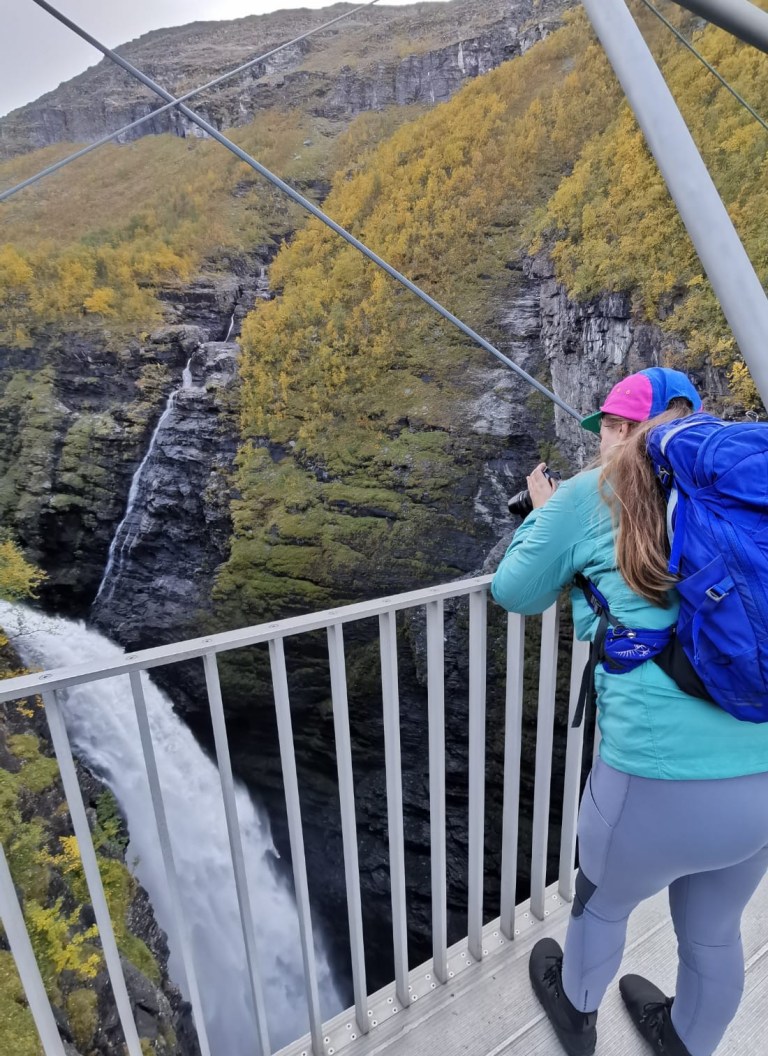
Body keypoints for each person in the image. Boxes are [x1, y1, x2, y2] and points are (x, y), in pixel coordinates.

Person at [491, 366, 768, 1056]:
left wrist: (544, 512)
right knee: (713, 932)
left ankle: (575, 1015)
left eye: (617, 426)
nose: (610, 439)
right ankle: (682, 1043)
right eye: (606, 426)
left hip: (653, 779)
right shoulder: (739, 501)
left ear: (644, 430)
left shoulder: (592, 493)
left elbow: (513, 590)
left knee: (602, 904)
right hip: (760, 779)